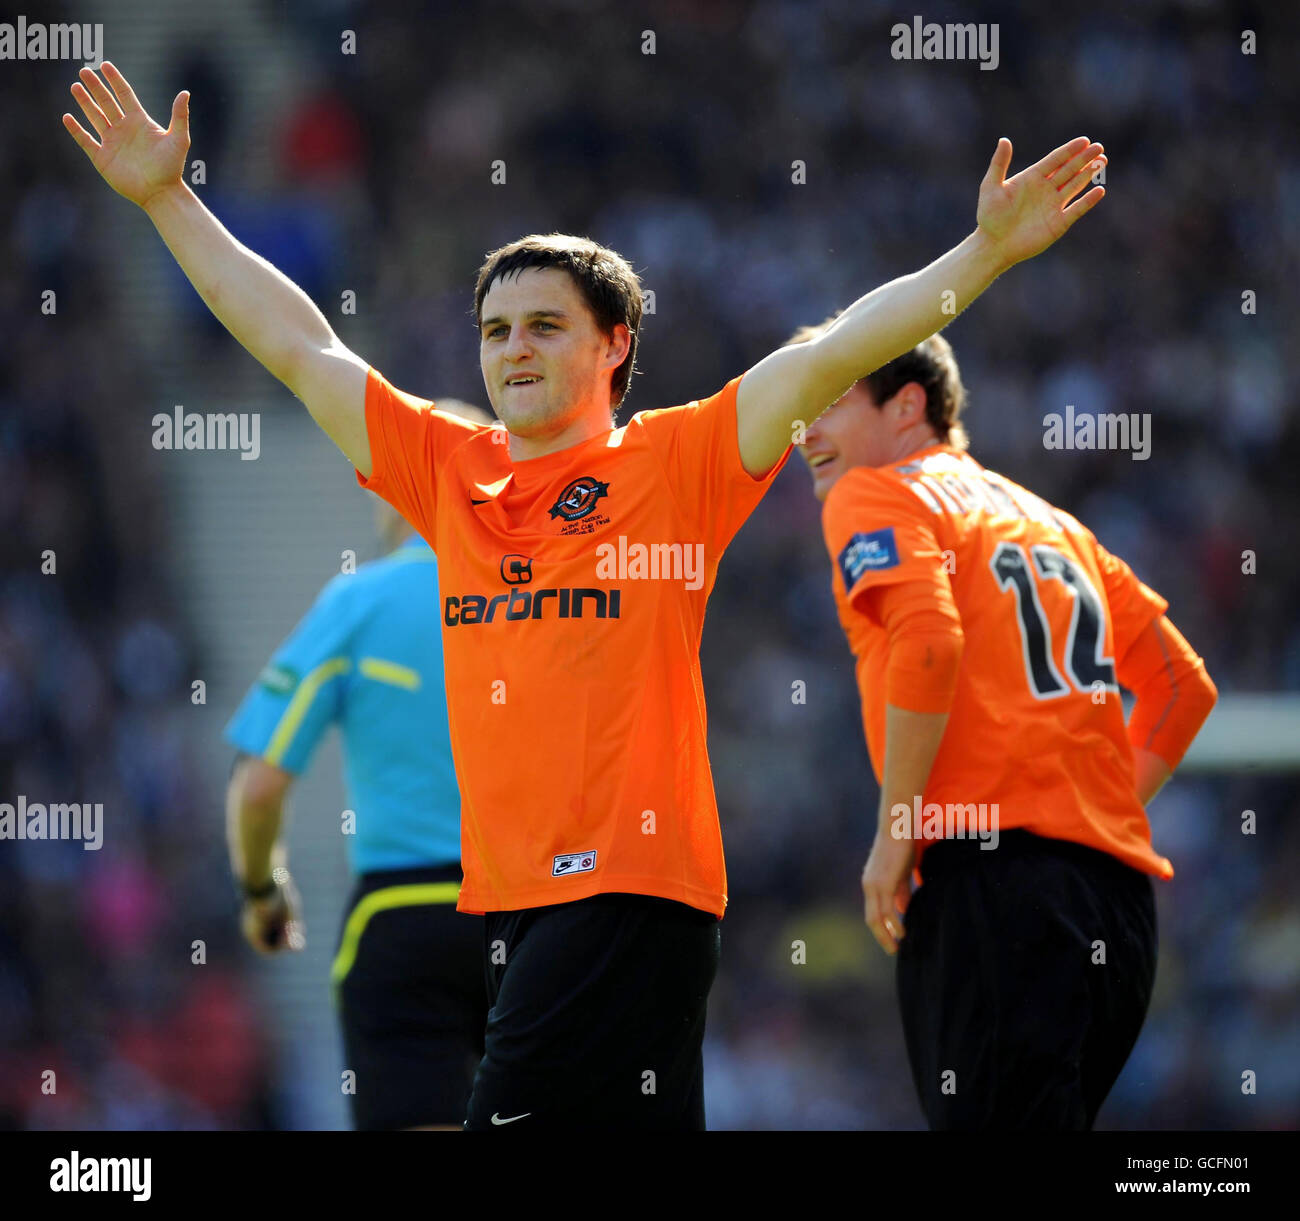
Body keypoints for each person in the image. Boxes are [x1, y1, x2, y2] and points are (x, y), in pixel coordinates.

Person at [66, 59, 1106, 1129]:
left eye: (543, 326)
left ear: (614, 346)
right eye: (495, 329)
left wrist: (983, 251)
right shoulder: (445, 473)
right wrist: (167, 200)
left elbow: (840, 348)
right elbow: (299, 344)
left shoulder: (679, 461)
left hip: (618, 889)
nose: (512, 348)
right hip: (517, 905)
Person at [791, 326, 1218, 1129]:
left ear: (908, 404)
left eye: (828, 402)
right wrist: (1083, 817)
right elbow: (1181, 687)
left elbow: (928, 638)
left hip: (993, 892)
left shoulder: (876, 491)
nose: (802, 430)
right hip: (1116, 912)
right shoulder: (1052, 520)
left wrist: (896, 834)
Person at [225, 481, 490, 1131]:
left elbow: (259, 786)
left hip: (400, 918)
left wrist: (264, 890)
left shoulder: (358, 602)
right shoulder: (551, 598)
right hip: (536, 923)